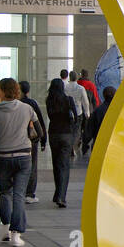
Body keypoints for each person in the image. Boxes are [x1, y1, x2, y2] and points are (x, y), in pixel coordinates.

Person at [0, 78, 37, 247]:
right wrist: (27, 133)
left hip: (3, 157)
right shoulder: (27, 108)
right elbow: (40, 132)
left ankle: (5, 229)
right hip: (24, 156)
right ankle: (17, 234)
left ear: (1, 91)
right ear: (16, 91)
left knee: (5, 193)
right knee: (19, 195)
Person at [46, 77, 77, 208]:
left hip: (53, 133)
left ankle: (57, 192)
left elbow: (50, 116)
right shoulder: (68, 100)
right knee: (64, 165)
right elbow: (75, 116)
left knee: (56, 164)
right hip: (66, 134)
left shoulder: (49, 101)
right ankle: (61, 196)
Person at [18, 81, 47, 203]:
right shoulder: (32, 104)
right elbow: (39, 121)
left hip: (17, 139)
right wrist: (43, 139)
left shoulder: (15, 104)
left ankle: (19, 190)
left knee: (19, 166)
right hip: (31, 139)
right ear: (28, 91)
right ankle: (29, 193)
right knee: (32, 165)